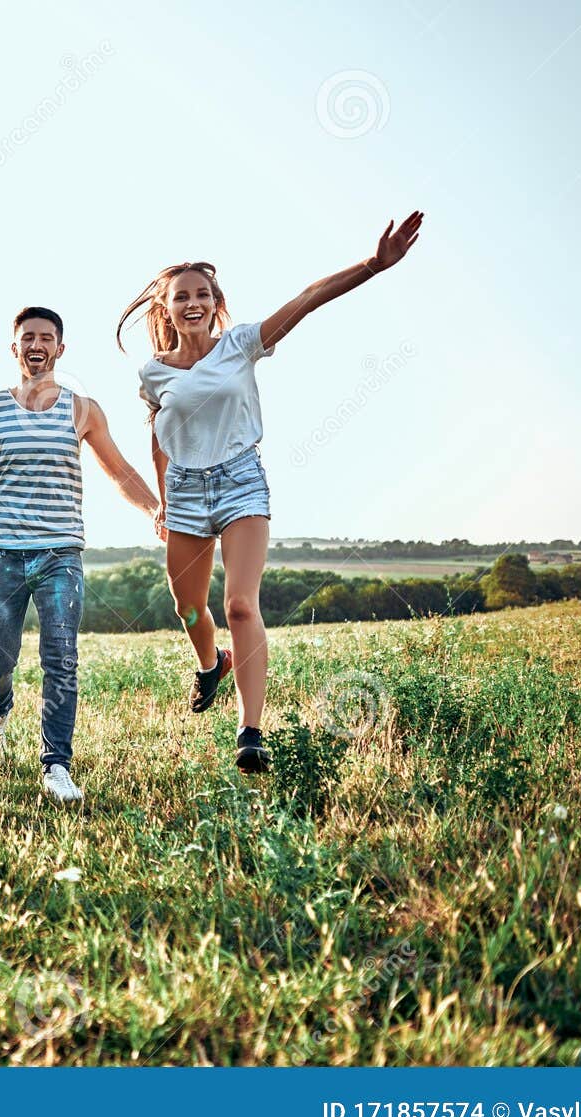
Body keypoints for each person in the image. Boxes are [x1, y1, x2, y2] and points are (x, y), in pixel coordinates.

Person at [117, 211, 424, 773]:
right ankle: (211, 665)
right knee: (188, 608)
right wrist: (162, 501)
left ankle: (250, 732)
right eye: (182, 296)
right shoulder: (152, 372)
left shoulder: (240, 344)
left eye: (203, 294)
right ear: (166, 307)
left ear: (216, 303)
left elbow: (307, 298)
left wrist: (374, 265)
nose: (193, 303)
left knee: (240, 604)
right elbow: (161, 437)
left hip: (240, 481)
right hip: (184, 491)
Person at [0, 307, 161, 804]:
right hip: (2, 553)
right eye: (28, 338)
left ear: (60, 348)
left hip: (60, 553)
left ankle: (56, 765)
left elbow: (119, 471)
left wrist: (154, 510)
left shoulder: (82, 409)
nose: (37, 345)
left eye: (46, 338)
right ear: (15, 348)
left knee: (61, 660)